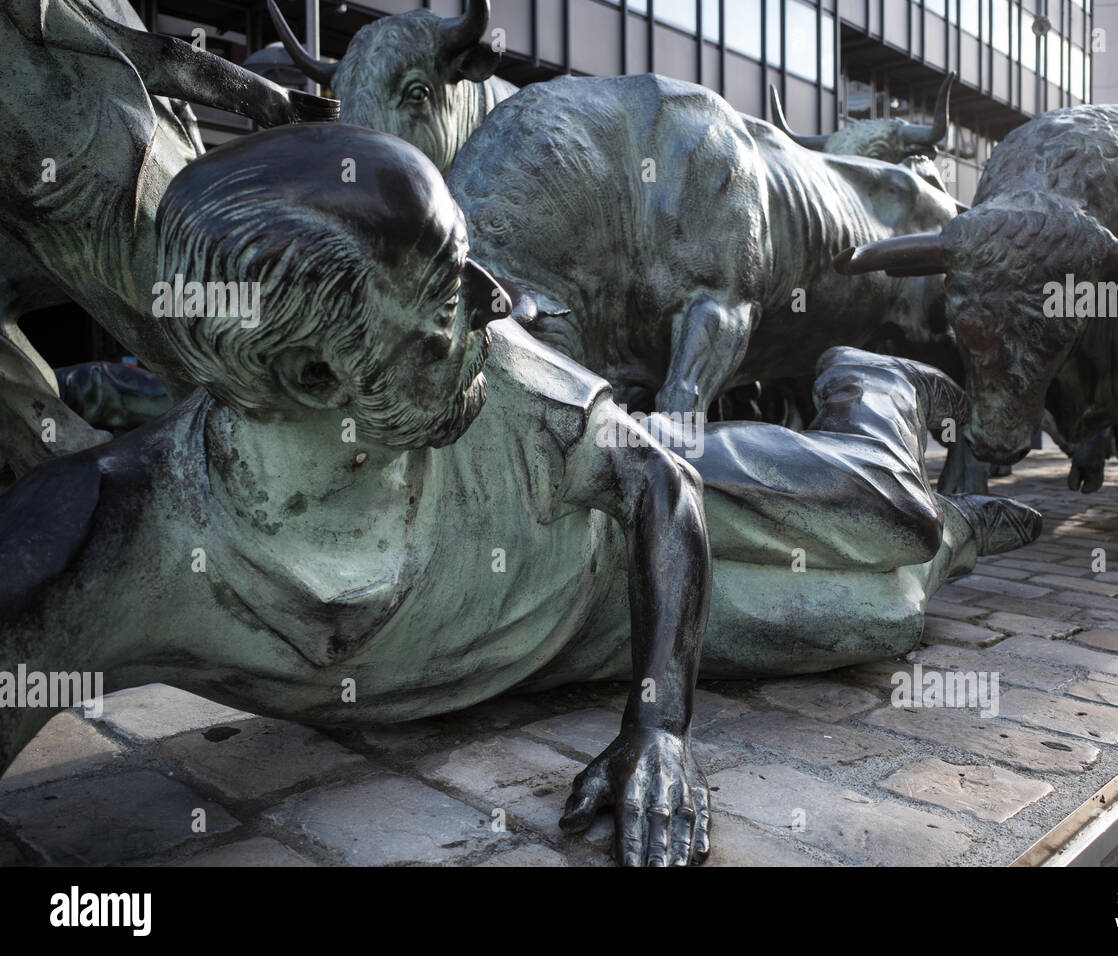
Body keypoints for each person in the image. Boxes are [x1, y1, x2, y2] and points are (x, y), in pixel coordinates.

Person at [0, 123, 1038, 866]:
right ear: (317, 379)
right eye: (447, 292)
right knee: (880, 609)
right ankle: (948, 533)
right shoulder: (107, 538)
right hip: (570, 637)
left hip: (613, 544)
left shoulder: (497, 366)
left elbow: (658, 473)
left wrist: (659, 725)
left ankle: (873, 391)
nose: (497, 303)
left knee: (883, 522)